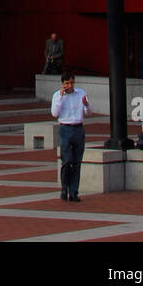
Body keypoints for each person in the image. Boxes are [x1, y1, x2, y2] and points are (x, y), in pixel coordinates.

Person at [51, 71, 91, 201]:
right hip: (65, 128)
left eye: (72, 83)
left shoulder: (81, 93)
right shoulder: (57, 95)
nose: (70, 85)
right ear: (63, 84)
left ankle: (74, 192)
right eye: (67, 83)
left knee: (77, 161)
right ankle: (64, 188)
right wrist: (61, 97)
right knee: (67, 160)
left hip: (78, 128)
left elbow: (88, 112)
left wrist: (86, 104)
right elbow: (55, 113)